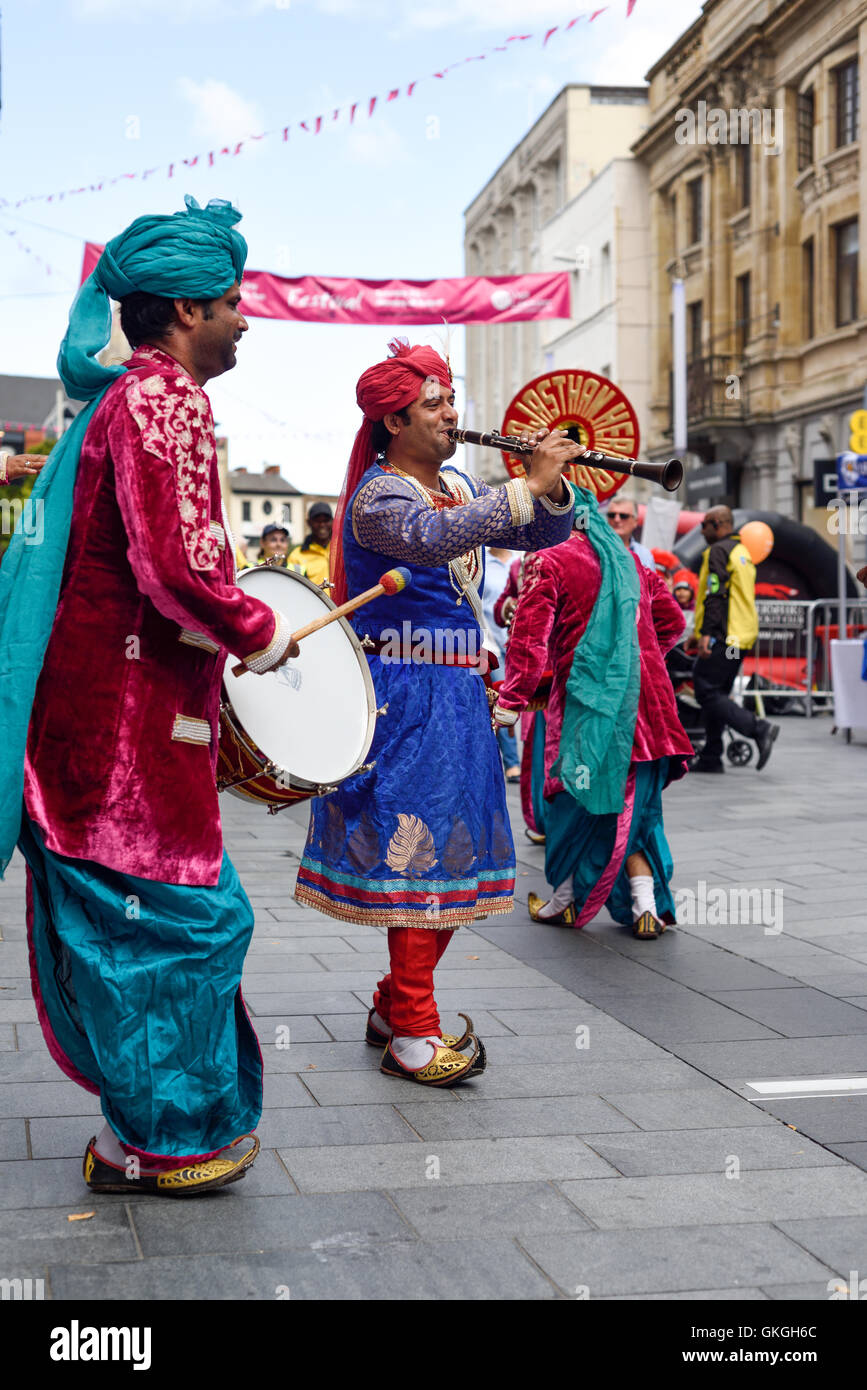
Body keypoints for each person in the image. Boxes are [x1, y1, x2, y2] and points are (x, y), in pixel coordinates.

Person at [0, 196, 298, 1196]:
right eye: (229, 300)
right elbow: (178, 570)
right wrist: (260, 630)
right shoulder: (163, 400)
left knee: (141, 926)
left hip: (98, 727)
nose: (244, 317)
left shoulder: (121, 398)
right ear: (181, 309)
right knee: (182, 925)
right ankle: (162, 1138)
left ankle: (137, 1138)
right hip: (122, 740)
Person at [294, 339, 579, 1085]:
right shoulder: (379, 497)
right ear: (393, 419)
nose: (452, 413)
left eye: (451, 400)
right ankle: (413, 1034)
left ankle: (395, 1003)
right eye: (434, 403)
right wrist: (522, 486)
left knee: (458, 856)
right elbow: (431, 540)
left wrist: (550, 491)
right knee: (418, 851)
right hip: (404, 696)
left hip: (456, 697)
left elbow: (541, 535)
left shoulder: (455, 480)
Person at [495, 490, 694, 939]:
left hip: (590, 711)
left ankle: (562, 903)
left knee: (574, 803)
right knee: (637, 814)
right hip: (649, 713)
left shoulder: (548, 561)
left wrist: (511, 701)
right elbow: (674, 623)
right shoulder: (634, 564)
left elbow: (528, 643)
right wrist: (634, 661)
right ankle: (647, 908)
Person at [685, 505, 778, 773]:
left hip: (725, 639)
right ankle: (712, 756)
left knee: (705, 688)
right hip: (740, 640)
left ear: (716, 524)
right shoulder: (741, 552)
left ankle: (759, 728)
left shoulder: (718, 551)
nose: (701, 530)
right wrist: (698, 632)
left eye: (704, 524)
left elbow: (716, 595)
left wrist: (706, 634)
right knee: (718, 691)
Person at [482, 545, 520, 782]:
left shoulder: (522, 560)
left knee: (513, 698)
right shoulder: (482, 561)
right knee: (501, 697)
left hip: (519, 643)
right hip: (491, 644)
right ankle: (511, 762)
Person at [604, 492, 655, 570]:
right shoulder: (595, 549)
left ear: (635, 521)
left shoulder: (645, 555)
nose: (617, 519)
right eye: (612, 515)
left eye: (623, 516)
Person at [288, 501, 333, 584]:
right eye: (317, 521)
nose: (322, 525)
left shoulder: (342, 551)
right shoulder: (296, 556)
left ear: (333, 521)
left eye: (326, 520)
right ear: (309, 523)